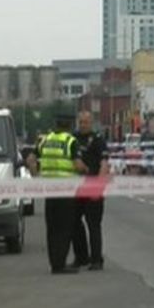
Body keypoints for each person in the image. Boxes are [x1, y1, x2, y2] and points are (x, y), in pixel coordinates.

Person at [26, 112, 88, 275]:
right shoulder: (70, 141)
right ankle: (60, 265)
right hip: (66, 192)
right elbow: (78, 165)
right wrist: (87, 170)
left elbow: (30, 159)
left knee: (52, 229)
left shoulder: (45, 140)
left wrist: (35, 174)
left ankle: (54, 263)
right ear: (70, 125)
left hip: (50, 191)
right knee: (64, 229)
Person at [70, 111, 109, 271]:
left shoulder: (98, 139)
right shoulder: (73, 139)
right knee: (74, 224)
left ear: (91, 123)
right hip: (76, 188)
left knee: (94, 225)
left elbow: (104, 163)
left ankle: (96, 260)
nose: (83, 125)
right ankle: (81, 257)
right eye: (81, 122)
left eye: (86, 122)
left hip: (92, 186)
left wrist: (98, 186)